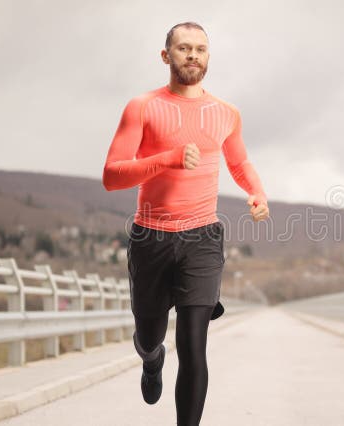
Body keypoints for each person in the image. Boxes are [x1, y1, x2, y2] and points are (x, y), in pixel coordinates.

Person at [101, 21, 269, 426]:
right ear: (166, 56)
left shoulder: (226, 113)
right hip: (151, 236)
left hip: (203, 237)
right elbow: (112, 176)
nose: (192, 55)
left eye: (200, 49)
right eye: (183, 48)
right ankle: (151, 359)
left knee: (194, 344)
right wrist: (167, 159)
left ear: (208, 58)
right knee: (149, 335)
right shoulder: (141, 106)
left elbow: (239, 161)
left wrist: (258, 193)